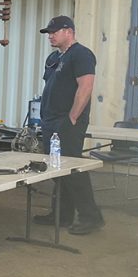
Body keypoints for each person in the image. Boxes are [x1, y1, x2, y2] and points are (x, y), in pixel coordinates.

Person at [33, 15, 104, 235]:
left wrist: (72, 118)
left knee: (72, 169)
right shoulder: (54, 58)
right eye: (48, 33)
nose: (50, 36)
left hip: (67, 122)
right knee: (57, 169)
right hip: (51, 121)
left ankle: (90, 217)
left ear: (69, 31)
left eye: (54, 32)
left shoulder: (81, 54)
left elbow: (85, 86)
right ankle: (61, 215)